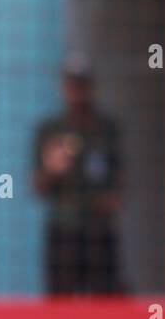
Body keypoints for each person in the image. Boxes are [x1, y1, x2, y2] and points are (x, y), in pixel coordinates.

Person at [31, 57, 124, 295]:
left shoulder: (106, 129)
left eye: (82, 86)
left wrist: (107, 201)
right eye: (73, 86)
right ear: (63, 88)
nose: (77, 93)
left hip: (98, 231)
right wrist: (51, 169)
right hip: (64, 229)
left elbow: (119, 183)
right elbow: (37, 187)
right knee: (61, 300)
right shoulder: (50, 130)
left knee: (106, 300)